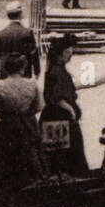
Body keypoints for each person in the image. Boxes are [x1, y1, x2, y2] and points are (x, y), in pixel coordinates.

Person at [0, 53, 47, 207]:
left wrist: (3, 112)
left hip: (6, 127)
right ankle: (32, 198)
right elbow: (40, 106)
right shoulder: (32, 85)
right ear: (22, 67)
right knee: (31, 158)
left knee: (6, 162)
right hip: (27, 125)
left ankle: (7, 202)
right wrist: (26, 113)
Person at [41, 36, 89, 176]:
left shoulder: (55, 70)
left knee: (58, 155)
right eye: (67, 53)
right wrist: (71, 111)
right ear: (59, 55)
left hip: (55, 119)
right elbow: (55, 98)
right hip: (59, 119)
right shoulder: (57, 72)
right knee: (64, 156)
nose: (70, 56)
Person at [0, 1, 40, 79]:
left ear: (7, 15)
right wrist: (37, 71)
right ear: (20, 14)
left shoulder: (1, 33)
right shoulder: (27, 33)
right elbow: (34, 53)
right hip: (23, 72)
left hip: (6, 73)